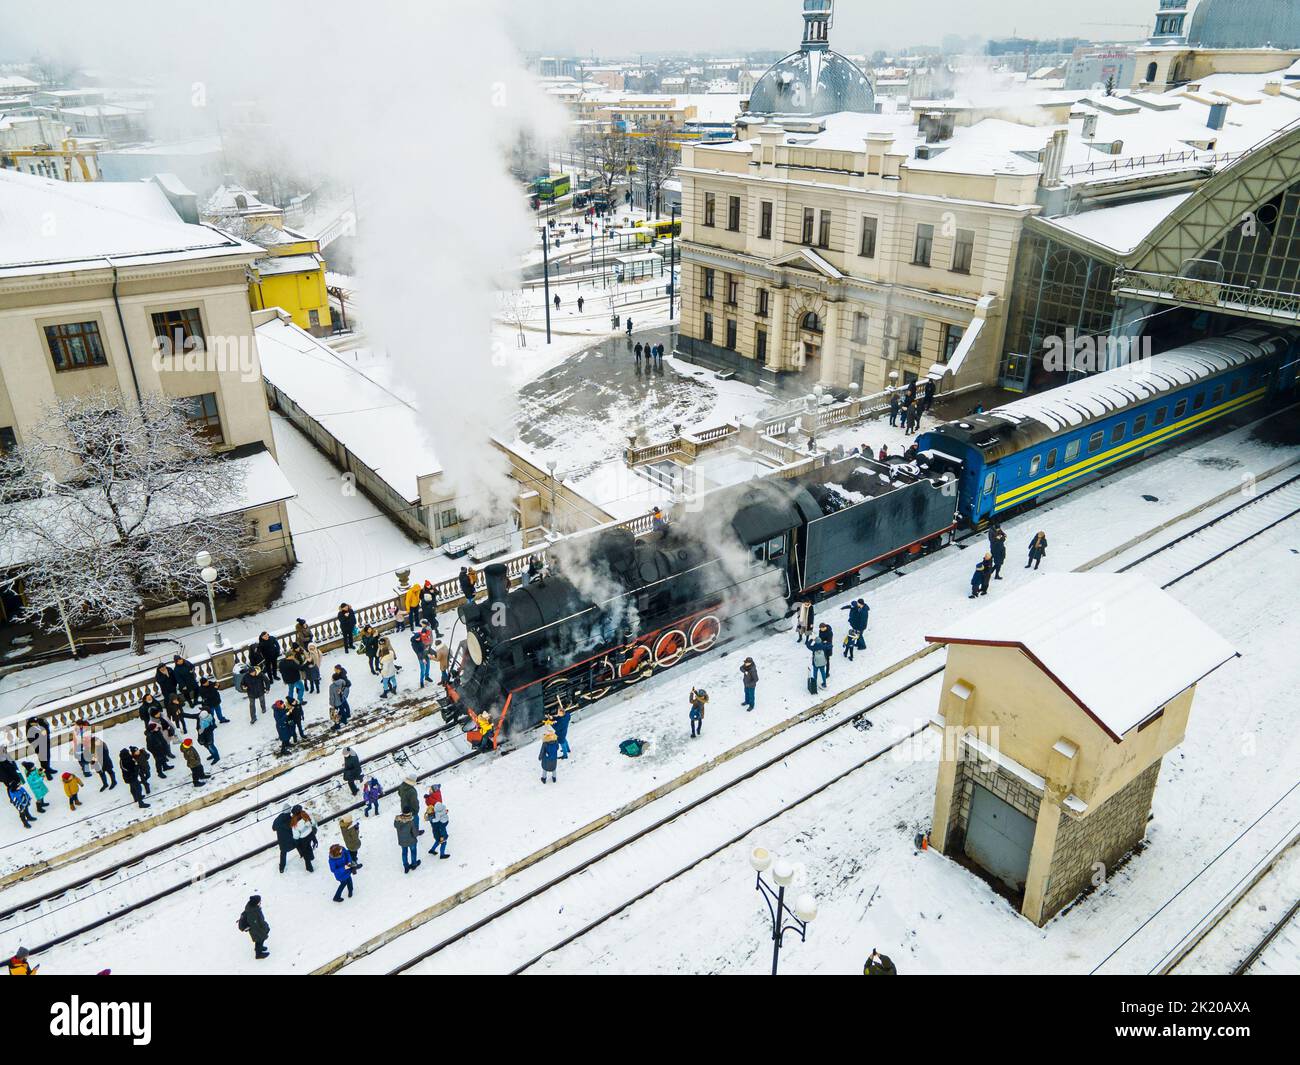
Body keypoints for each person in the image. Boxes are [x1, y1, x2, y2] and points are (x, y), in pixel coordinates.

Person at [238, 895, 270, 960]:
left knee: (260, 940)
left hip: (258, 929)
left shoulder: (254, 908)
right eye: (259, 901)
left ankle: (259, 948)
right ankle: (258, 954)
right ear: (255, 902)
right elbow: (255, 924)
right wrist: (264, 928)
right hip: (256, 930)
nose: (260, 902)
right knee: (259, 940)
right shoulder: (252, 912)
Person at [272, 804, 299, 873]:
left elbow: (273, 828)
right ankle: (302, 855)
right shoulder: (290, 819)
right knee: (299, 845)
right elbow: (293, 827)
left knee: (283, 853)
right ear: (289, 811)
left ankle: (281, 868)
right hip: (290, 840)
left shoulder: (278, 819)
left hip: (282, 841)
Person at [291, 805, 317, 869]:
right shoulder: (306, 815)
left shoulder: (294, 822)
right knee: (309, 845)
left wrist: (296, 839)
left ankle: (309, 867)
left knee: (305, 851)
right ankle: (311, 856)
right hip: (311, 834)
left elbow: (296, 836)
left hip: (303, 838)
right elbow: (313, 822)